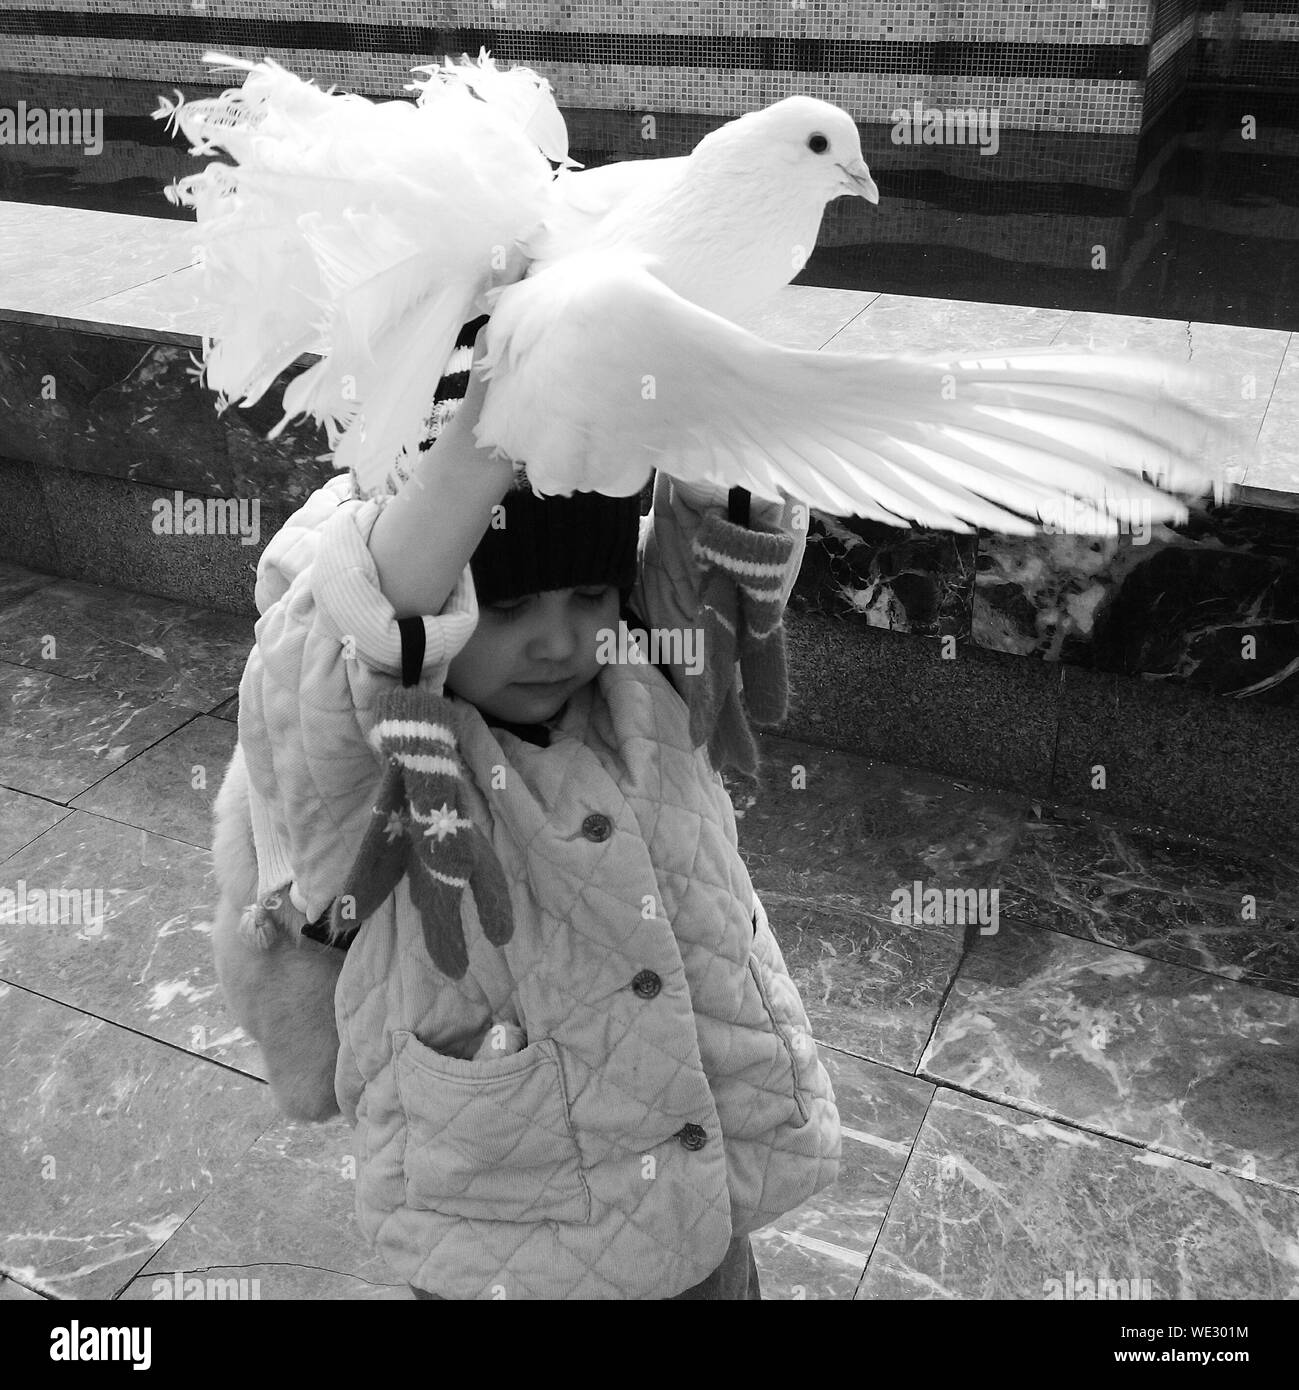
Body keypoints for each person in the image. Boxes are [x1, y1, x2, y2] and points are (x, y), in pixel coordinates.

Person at [210, 317, 841, 1300]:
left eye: (589, 592)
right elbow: (360, 625)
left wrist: (663, 367)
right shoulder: (373, 746)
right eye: (506, 610)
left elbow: (723, 541)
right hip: (506, 1225)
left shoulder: (647, 670)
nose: (561, 640)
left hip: (693, 1179)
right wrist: (488, 431)